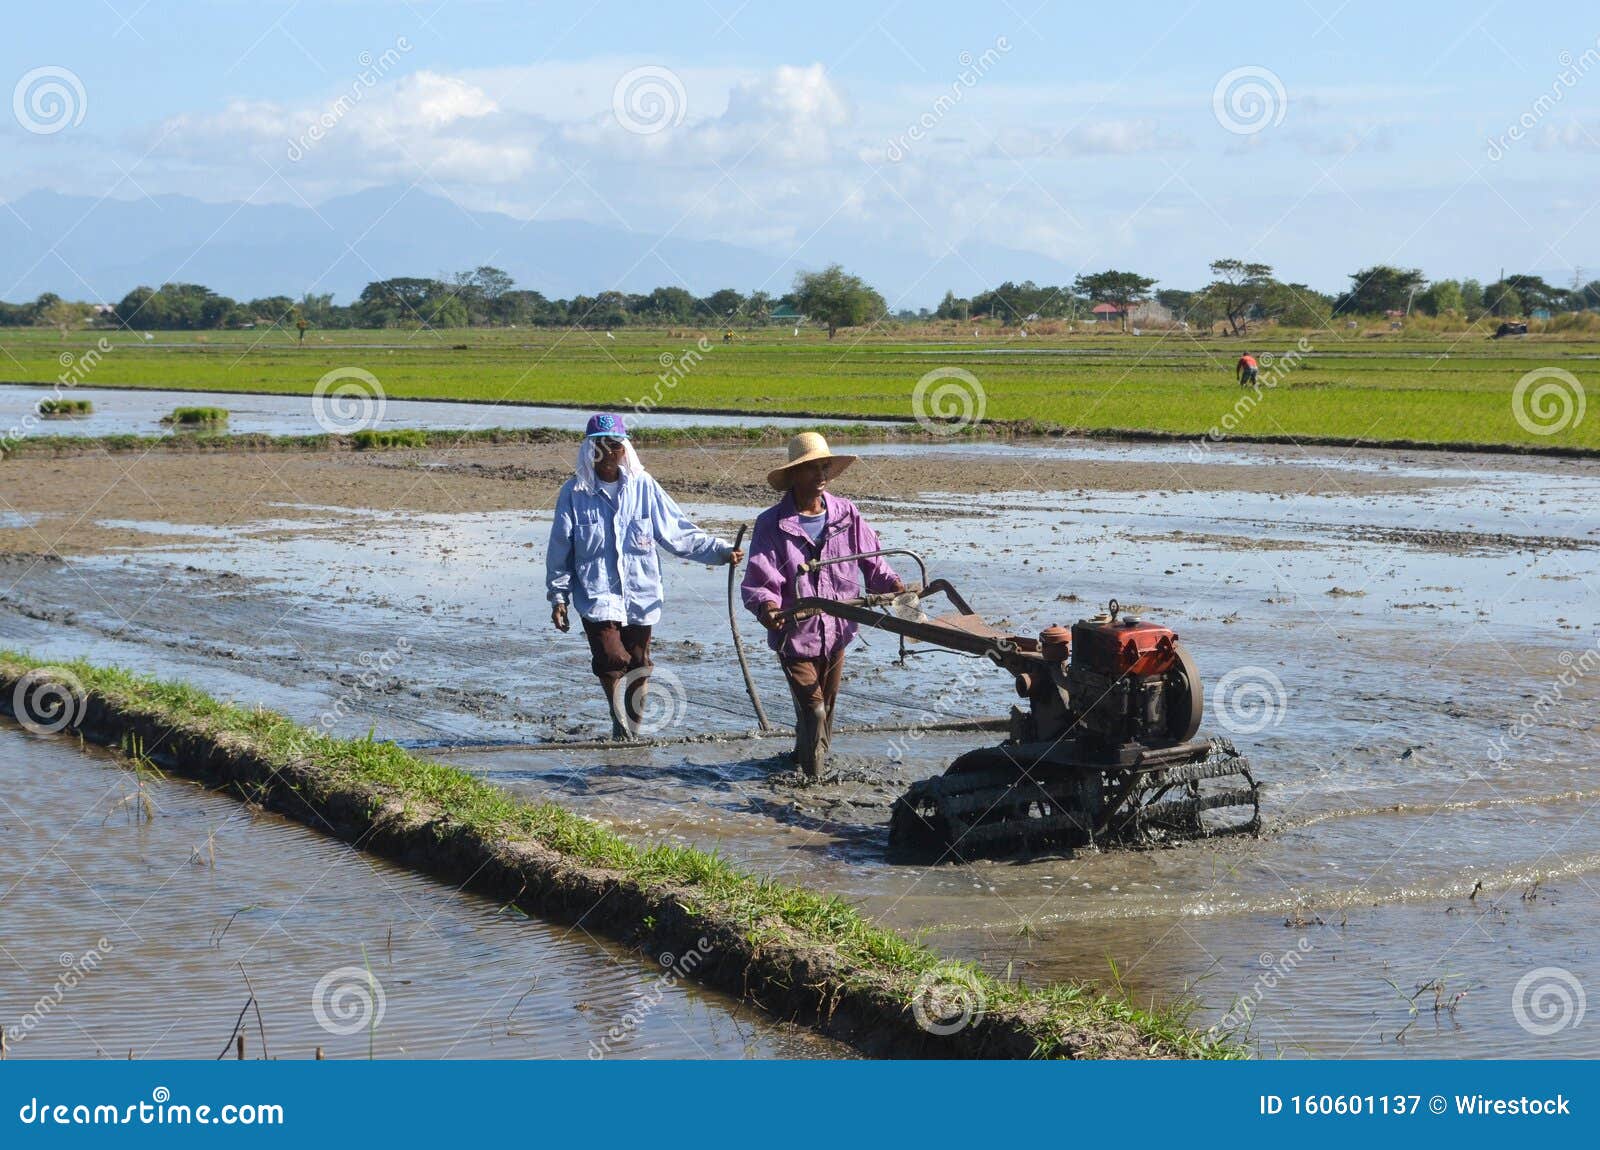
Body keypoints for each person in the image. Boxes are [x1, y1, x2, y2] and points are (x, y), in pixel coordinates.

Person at [547, 413, 743, 740]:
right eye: (603, 445)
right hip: (597, 592)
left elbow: (678, 533)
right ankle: (618, 719)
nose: (611, 452)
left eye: (617, 445)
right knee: (611, 657)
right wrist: (558, 597)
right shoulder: (574, 493)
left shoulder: (644, 487)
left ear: (625, 448)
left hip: (640, 592)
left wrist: (721, 552)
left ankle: (631, 733)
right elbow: (559, 548)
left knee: (639, 662)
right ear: (590, 450)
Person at [741, 432, 902, 778]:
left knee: (824, 709)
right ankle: (814, 785)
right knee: (813, 710)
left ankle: (805, 763)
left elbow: (872, 561)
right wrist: (767, 608)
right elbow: (760, 579)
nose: (820, 475)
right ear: (795, 474)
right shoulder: (772, 524)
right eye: (812, 468)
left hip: (838, 628)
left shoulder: (846, 514)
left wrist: (892, 585)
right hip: (794, 635)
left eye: (824, 466)